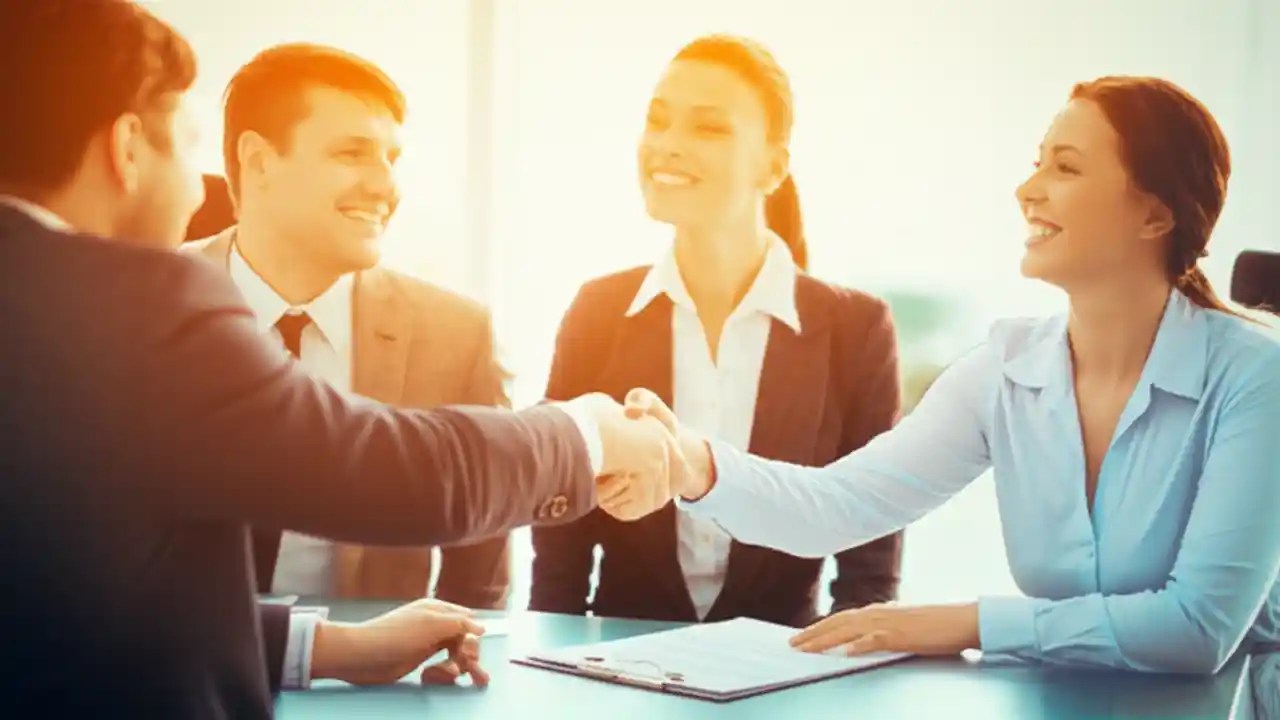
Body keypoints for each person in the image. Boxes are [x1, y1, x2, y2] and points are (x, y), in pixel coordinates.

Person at [0, 2, 673, 717]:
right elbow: (387, 467)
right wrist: (590, 432)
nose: (201, 190)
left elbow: (78, 596)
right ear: (127, 148)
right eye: (190, 148)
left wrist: (335, 649)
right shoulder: (141, 305)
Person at [618, 75, 1280, 716]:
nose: (1027, 190)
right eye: (1036, 164)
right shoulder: (1004, 372)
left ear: (1154, 215)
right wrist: (695, 464)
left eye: (1066, 168)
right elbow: (837, 505)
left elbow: (1198, 628)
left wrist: (960, 624)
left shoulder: (1254, 376)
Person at [530, 34, 902, 627]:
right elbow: (559, 536)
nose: (668, 146)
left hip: (780, 671)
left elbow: (870, 561)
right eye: (658, 122)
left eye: (708, 128)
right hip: (621, 664)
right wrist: (549, 658)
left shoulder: (855, 328)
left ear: (774, 165)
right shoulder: (598, 310)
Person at [187, 43, 515, 609]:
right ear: (259, 162)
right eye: (352, 154)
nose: (385, 186)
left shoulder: (456, 333)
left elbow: (480, 574)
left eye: (391, 158)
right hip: (173, 676)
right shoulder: (144, 303)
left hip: (371, 686)